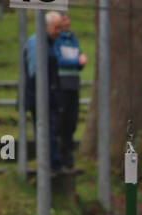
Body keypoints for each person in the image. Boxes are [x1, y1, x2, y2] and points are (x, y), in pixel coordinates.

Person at [22, 13, 65, 175]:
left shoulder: (47, 43)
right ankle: (49, 165)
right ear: (46, 26)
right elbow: (35, 74)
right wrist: (41, 98)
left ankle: (53, 164)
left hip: (48, 98)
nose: (59, 31)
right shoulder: (37, 43)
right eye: (56, 28)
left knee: (52, 132)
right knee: (46, 132)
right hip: (40, 99)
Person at [51, 12, 87, 172]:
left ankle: (68, 158)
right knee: (61, 121)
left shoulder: (73, 38)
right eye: (64, 20)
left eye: (68, 19)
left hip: (73, 84)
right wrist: (76, 61)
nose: (67, 22)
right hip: (62, 84)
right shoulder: (57, 39)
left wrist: (81, 63)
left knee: (71, 123)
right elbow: (58, 59)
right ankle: (58, 157)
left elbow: (78, 60)